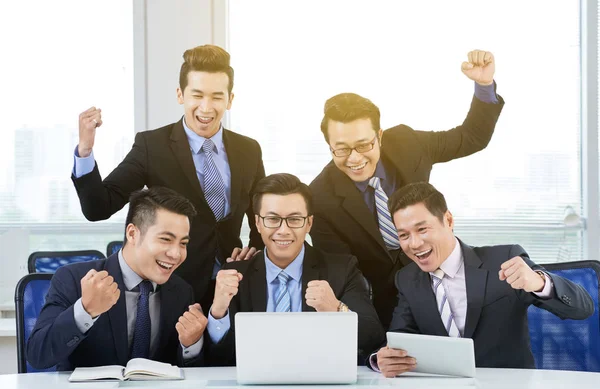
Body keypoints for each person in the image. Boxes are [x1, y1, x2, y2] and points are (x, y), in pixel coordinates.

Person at [309, 50, 505, 327]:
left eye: (364, 145)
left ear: (379, 136)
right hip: (380, 300)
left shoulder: (407, 144)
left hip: (443, 276)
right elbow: (342, 270)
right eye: (340, 149)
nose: (354, 159)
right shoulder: (320, 197)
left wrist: (484, 85)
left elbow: (470, 138)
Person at [71, 44, 265, 312]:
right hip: (173, 286)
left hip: (232, 284)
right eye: (197, 95)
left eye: (217, 97)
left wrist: (255, 251)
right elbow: (98, 207)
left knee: (228, 353)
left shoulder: (249, 150)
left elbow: (261, 212)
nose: (206, 108)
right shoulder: (153, 146)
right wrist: (85, 150)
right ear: (180, 95)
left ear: (230, 99)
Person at [370, 182, 594, 376]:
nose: (414, 244)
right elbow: (400, 338)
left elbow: (583, 308)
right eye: (404, 235)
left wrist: (539, 282)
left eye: (422, 229)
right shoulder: (408, 279)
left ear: (448, 220)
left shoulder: (504, 259)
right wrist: (383, 359)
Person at [204, 173, 384, 366]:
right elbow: (218, 358)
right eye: (272, 219)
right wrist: (219, 311)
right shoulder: (235, 274)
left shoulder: (341, 269)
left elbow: (373, 337)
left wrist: (335, 310)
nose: (283, 230)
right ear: (257, 223)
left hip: (322, 381)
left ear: (309, 223)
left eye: (295, 219)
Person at [27, 187, 207, 370]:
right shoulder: (73, 279)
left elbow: (187, 375)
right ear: (132, 234)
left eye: (183, 243)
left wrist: (190, 345)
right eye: (166, 240)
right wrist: (85, 310)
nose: (176, 254)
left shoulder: (181, 291)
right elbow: (37, 355)